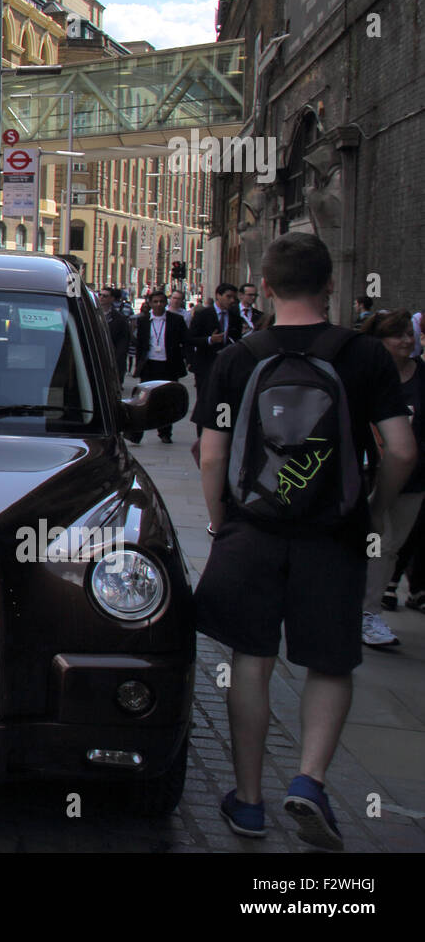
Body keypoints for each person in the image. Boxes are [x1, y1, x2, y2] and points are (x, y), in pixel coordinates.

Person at [193, 232, 415, 850]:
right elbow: (401, 449)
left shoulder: (238, 357)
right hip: (334, 534)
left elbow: (212, 458)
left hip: (253, 531)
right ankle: (311, 780)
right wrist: (372, 507)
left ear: (263, 286)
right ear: (329, 286)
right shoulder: (364, 357)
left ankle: (249, 801)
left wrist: (222, 521)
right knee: (329, 663)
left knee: (250, 663)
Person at [359, 309, 425, 644]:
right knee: (363, 542)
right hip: (366, 473)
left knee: (388, 547)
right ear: (379, 341)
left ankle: (368, 614)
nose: (407, 340)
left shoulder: (422, 377)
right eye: (397, 334)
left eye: (409, 333)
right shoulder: (364, 375)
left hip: (412, 479)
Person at [129, 289, 189, 443]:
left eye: (161, 301)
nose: (158, 304)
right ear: (149, 303)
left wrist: (186, 359)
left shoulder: (176, 320)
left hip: (169, 365)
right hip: (149, 365)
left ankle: (165, 432)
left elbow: (185, 341)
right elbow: (139, 342)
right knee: (143, 399)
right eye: (155, 302)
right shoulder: (142, 321)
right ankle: (137, 433)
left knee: (168, 399)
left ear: (166, 303)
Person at [187, 282, 244, 432]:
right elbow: (190, 338)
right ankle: (202, 434)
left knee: (224, 400)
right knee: (205, 400)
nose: (232, 301)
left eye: (234, 298)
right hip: (206, 364)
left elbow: (237, 338)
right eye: (228, 297)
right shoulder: (203, 315)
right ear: (218, 296)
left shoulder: (235, 317)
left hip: (226, 365)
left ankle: (221, 428)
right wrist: (209, 340)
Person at [97, 286, 131, 383]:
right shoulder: (91, 314)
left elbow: (123, 342)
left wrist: (117, 360)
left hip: (111, 358)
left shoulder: (120, 319)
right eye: (100, 295)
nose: (101, 297)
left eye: (105, 296)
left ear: (112, 299)